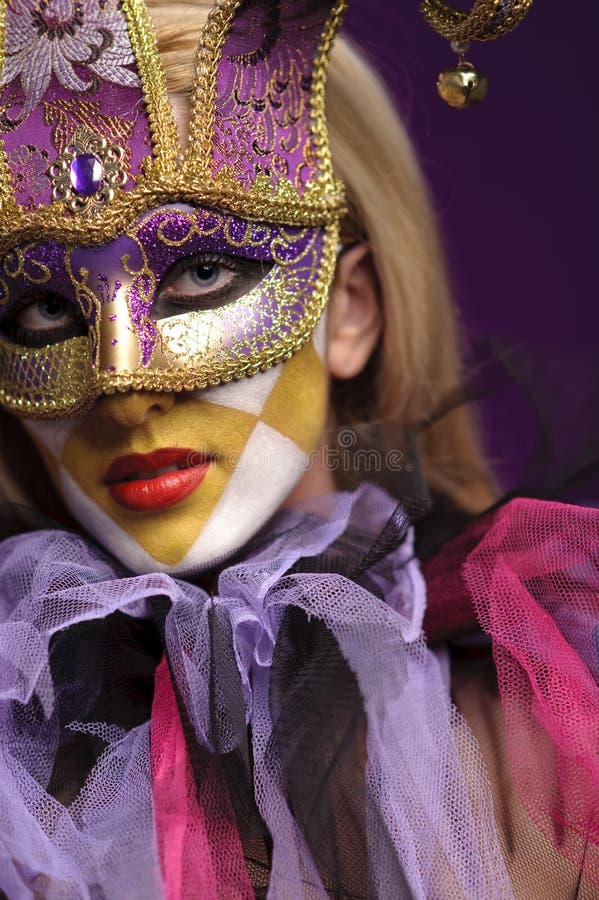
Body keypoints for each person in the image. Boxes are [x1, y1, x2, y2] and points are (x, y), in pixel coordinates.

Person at [0, 1, 596, 897]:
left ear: (349, 308)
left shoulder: (551, 725)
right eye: (45, 307)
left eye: (202, 270)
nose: (122, 387)